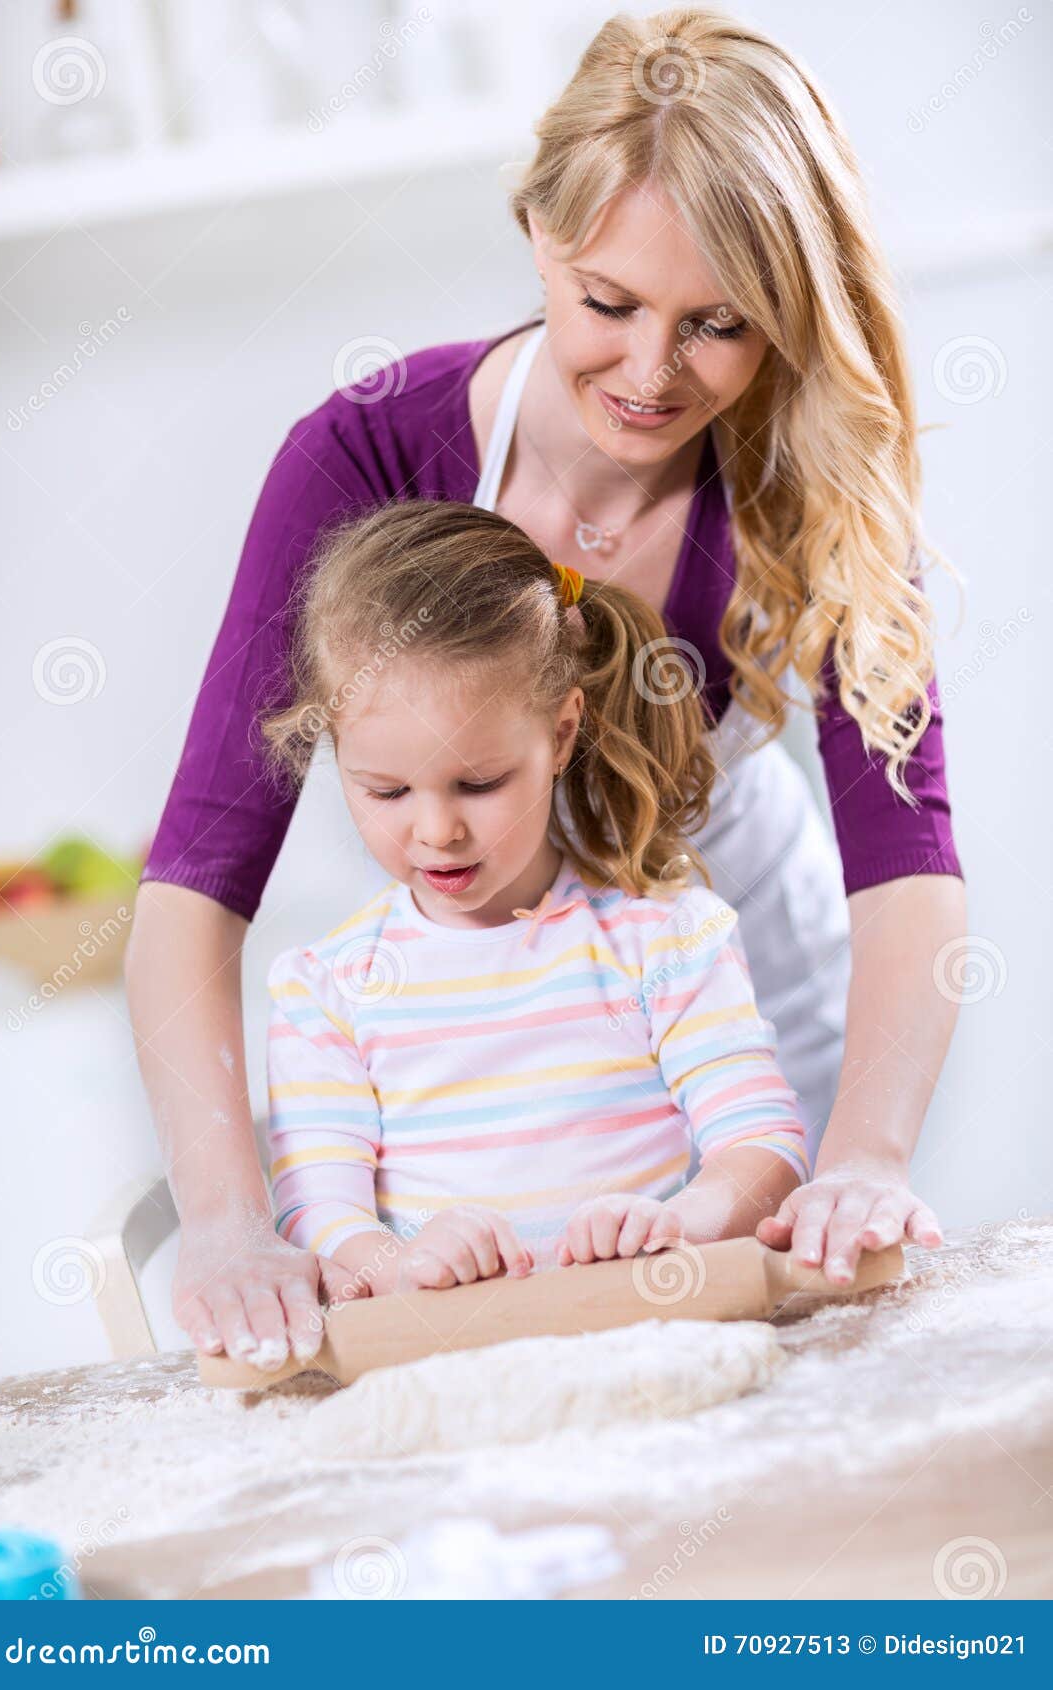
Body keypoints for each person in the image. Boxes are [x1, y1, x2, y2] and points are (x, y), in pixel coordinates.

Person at [127, 7, 963, 1367]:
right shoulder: (362, 456)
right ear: (536, 232)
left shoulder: (808, 480)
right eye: (608, 302)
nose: (648, 373)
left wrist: (856, 1151)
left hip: (740, 1032)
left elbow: (903, 844)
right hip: (483, 1060)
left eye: (716, 325)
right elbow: (197, 880)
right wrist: (228, 1220)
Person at [256, 497, 811, 1358]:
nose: (436, 830)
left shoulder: (664, 943)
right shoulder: (327, 991)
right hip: (448, 1378)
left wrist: (683, 1222)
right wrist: (394, 1261)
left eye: (478, 784)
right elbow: (315, 1206)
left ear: (560, 733)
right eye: (387, 791)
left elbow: (759, 1138)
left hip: (654, 1350)